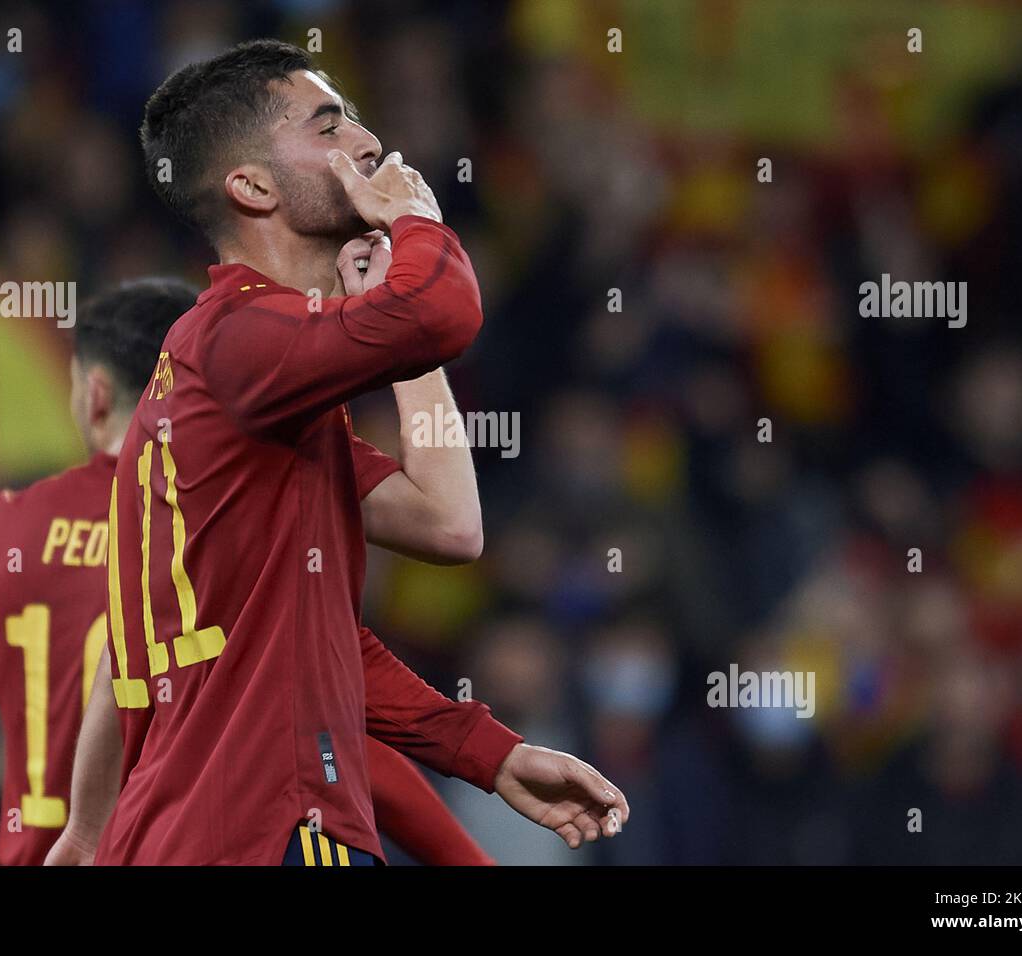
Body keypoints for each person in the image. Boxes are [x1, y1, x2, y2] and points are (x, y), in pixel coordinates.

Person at [88, 38, 627, 866]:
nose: (369, 143)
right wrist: (415, 224)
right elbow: (445, 311)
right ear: (252, 186)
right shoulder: (239, 341)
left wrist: (488, 754)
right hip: (269, 830)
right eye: (330, 126)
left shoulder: (235, 384)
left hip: (191, 835)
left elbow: (447, 525)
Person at [0, 277, 493, 865]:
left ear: (94, 394)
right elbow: (329, 728)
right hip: (215, 827)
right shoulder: (245, 504)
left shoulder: (10, 523)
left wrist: (23, 679)